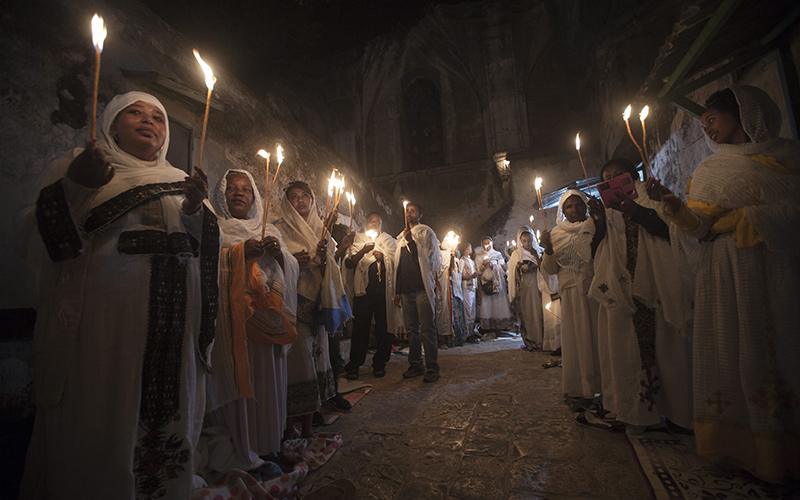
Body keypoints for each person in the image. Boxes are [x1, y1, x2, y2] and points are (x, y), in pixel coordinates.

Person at [16, 91, 219, 499]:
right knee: (104, 411)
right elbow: (38, 240)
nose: (149, 122)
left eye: (158, 118)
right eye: (135, 113)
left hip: (175, 330)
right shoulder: (81, 167)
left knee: (168, 417)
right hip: (104, 327)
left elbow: (207, 254)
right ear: (111, 124)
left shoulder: (182, 179)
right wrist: (75, 186)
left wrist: (196, 209)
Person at [647, 86, 800, 483]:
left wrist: (741, 219)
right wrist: (674, 206)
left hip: (780, 266)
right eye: (703, 123)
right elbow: (699, 229)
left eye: (712, 118)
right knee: (745, 347)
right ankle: (746, 446)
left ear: (743, 113)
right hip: (731, 273)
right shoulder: (713, 171)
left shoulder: (788, 158)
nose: (708, 129)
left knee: (784, 346)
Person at [588, 159, 692, 433]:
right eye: (606, 177)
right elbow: (598, 251)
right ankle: (634, 412)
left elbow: (671, 232)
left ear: (631, 176)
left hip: (655, 286)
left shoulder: (651, 196)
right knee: (627, 351)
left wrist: (636, 211)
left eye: (617, 175)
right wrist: (599, 222)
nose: (612, 180)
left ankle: (676, 413)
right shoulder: (607, 212)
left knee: (667, 349)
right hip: (622, 292)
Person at [205, 169, 299, 469]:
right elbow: (202, 264)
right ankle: (241, 445)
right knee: (237, 382)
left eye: (246, 189)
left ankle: (269, 444)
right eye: (231, 188)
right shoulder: (214, 228)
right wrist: (238, 252)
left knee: (268, 383)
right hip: (232, 325)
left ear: (254, 196)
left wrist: (280, 256)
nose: (239, 193)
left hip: (267, 321)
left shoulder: (268, 229)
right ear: (222, 194)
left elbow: (291, 266)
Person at [273, 181, 352, 438]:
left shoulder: (321, 230)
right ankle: (290, 423)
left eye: (305, 196)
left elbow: (330, 265)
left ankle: (311, 416)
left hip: (319, 304)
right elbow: (270, 265)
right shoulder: (278, 230)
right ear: (287, 202)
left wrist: (337, 251)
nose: (301, 201)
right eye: (294, 197)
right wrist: (291, 261)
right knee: (299, 363)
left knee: (318, 358)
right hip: (294, 304)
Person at [540, 190, 602, 409]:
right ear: (562, 210)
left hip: (596, 291)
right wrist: (547, 248)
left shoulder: (596, 227)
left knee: (598, 338)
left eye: (578, 205)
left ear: (585, 207)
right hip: (571, 294)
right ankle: (580, 388)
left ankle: (603, 387)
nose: (574, 210)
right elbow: (550, 269)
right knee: (576, 340)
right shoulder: (556, 234)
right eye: (569, 206)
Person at [391, 203, 441, 383]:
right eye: (407, 211)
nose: (409, 213)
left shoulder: (426, 232)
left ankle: (432, 367)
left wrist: (412, 241)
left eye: (413, 211)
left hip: (421, 289)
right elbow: (399, 267)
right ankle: (416, 364)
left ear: (420, 214)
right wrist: (397, 291)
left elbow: (427, 258)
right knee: (411, 330)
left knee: (427, 329)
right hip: (406, 291)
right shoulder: (400, 238)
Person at [344, 212, 398, 379]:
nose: (373, 224)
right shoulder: (359, 239)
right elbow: (350, 262)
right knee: (360, 329)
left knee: (383, 329)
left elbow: (396, 260)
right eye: (370, 222)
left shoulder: (388, 240)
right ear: (366, 224)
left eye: (376, 222)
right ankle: (354, 365)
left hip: (383, 293)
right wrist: (364, 250)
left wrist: (383, 257)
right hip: (364, 292)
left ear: (380, 225)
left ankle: (379, 363)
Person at [508, 225, 544, 351]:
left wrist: (537, 259)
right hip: (523, 289)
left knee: (538, 312)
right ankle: (530, 339)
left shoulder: (539, 251)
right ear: (520, 241)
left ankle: (541, 340)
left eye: (529, 240)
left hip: (537, 286)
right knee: (527, 313)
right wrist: (518, 267)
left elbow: (545, 268)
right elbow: (511, 274)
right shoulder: (516, 254)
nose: (527, 243)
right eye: (524, 241)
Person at [474, 237, 515, 333]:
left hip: (497, 282)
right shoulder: (479, 256)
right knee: (487, 304)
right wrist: (484, 265)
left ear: (492, 243)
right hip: (486, 283)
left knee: (499, 302)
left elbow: (502, 267)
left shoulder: (497, 254)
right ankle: (488, 326)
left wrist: (493, 265)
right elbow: (478, 271)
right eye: (484, 243)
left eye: (488, 242)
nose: (486, 244)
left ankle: (501, 325)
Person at [458, 243, 480, 343]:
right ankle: (467, 333)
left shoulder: (471, 261)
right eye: (470, 247)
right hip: (466, 288)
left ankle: (472, 331)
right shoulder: (462, 261)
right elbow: (460, 276)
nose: (471, 249)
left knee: (472, 311)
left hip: (473, 288)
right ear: (467, 249)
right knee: (468, 310)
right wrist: (471, 276)